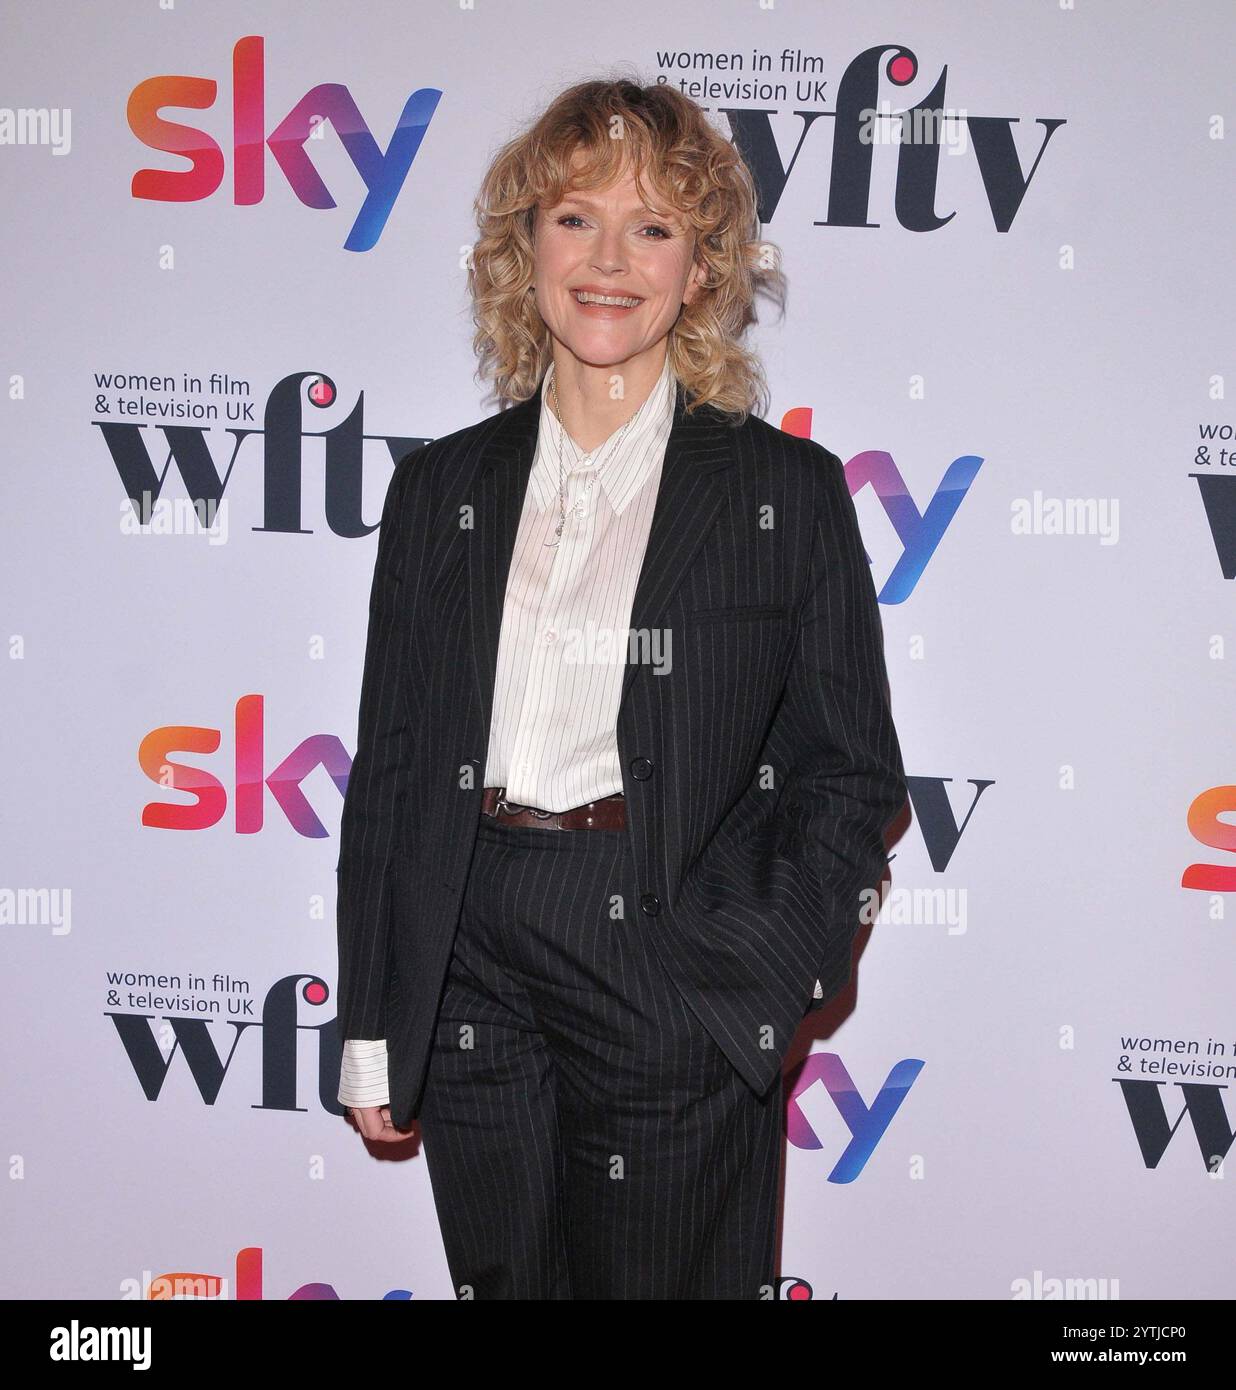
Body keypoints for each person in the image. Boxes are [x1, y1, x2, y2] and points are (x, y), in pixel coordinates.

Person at [334, 76, 906, 1300]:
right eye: (576, 218)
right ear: (523, 248)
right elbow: (389, 767)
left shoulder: (786, 494)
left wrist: (749, 975)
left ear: (700, 269)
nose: (610, 260)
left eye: (654, 226)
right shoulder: (439, 492)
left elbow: (848, 773)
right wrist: (378, 1021)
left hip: (667, 950)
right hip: (470, 948)